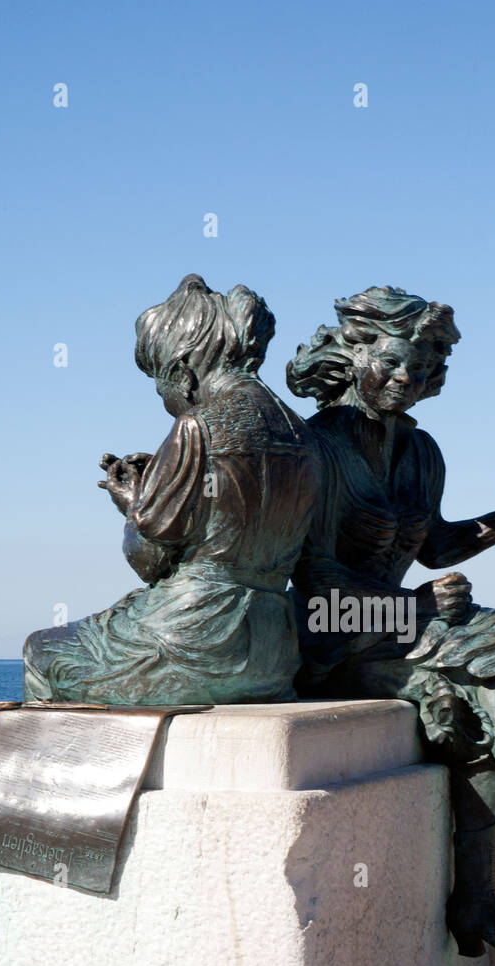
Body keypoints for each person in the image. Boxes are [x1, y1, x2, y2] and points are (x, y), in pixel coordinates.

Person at [286, 285, 495, 959]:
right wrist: (416, 606)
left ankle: (479, 898)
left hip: (402, 633)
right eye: (397, 363)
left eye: (426, 369)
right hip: (329, 629)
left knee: (475, 706)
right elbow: (314, 577)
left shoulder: (422, 452)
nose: (410, 379)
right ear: (355, 353)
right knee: (493, 639)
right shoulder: (317, 447)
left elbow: (435, 546)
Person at [23, 275, 321, 706]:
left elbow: (150, 561)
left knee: (42, 650)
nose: (164, 398)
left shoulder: (196, 427)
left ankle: (65, 773)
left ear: (182, 373)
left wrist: (132, 504)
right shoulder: (305, 436)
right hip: (274, 651)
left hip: (200, 639)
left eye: (160, 384)